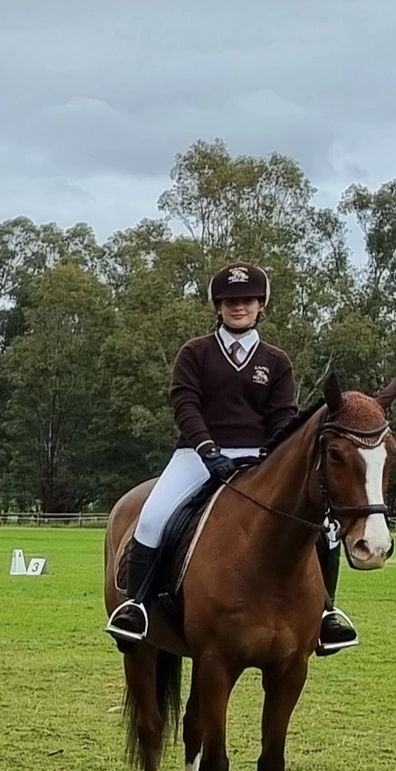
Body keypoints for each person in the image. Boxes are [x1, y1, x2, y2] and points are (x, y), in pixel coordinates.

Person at [108, 262, 353, 654]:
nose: (238, 306)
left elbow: (284, 417)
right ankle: (136, 607)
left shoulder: (276, 360)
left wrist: (269, 456)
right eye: (229, 301)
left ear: (261, 306)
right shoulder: (196, 352)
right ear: (218, 307)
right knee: (152, 518)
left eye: (247, 300)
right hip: (196, 454)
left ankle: (325, 615)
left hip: (260, 456)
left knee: (325, 528)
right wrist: (208, 451)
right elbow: (185, 404)